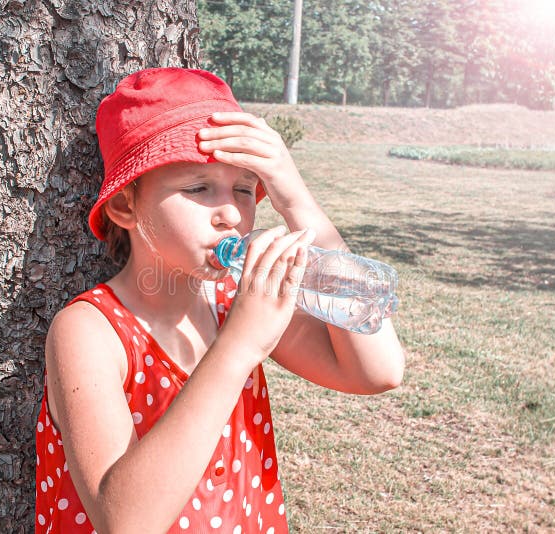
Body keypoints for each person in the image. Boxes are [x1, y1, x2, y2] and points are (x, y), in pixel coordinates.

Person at [34, 68, 405, 533]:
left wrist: (296, 199)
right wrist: (239, 346)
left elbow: (379, 370)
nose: (230, 213)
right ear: (126, 206)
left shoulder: (232, 301)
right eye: (198, 188)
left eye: (246, 190)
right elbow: (123, 522)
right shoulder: (89, 331)